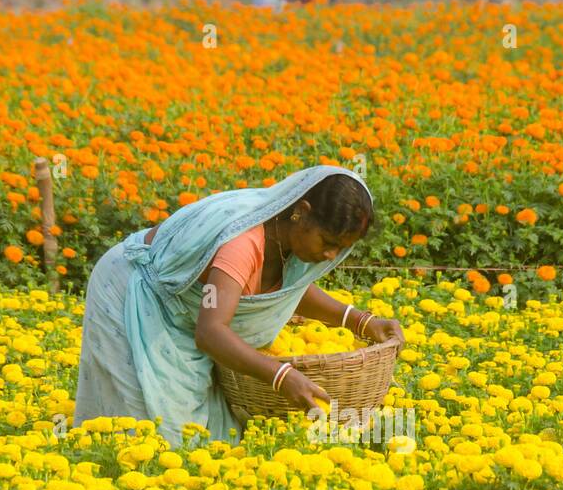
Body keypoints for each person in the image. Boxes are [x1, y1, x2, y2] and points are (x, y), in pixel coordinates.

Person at [73, 165, 405, 447]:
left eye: (341, 248)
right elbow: (210, 332)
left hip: (183, 309)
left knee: (204, 433)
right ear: (301, 212)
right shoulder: (242, 244)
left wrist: (360, 321)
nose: (331, 255)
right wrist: (280, 375)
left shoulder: (285, 234)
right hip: (131, 289)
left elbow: (285, 290)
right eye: (328, 243)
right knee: (144, 427)